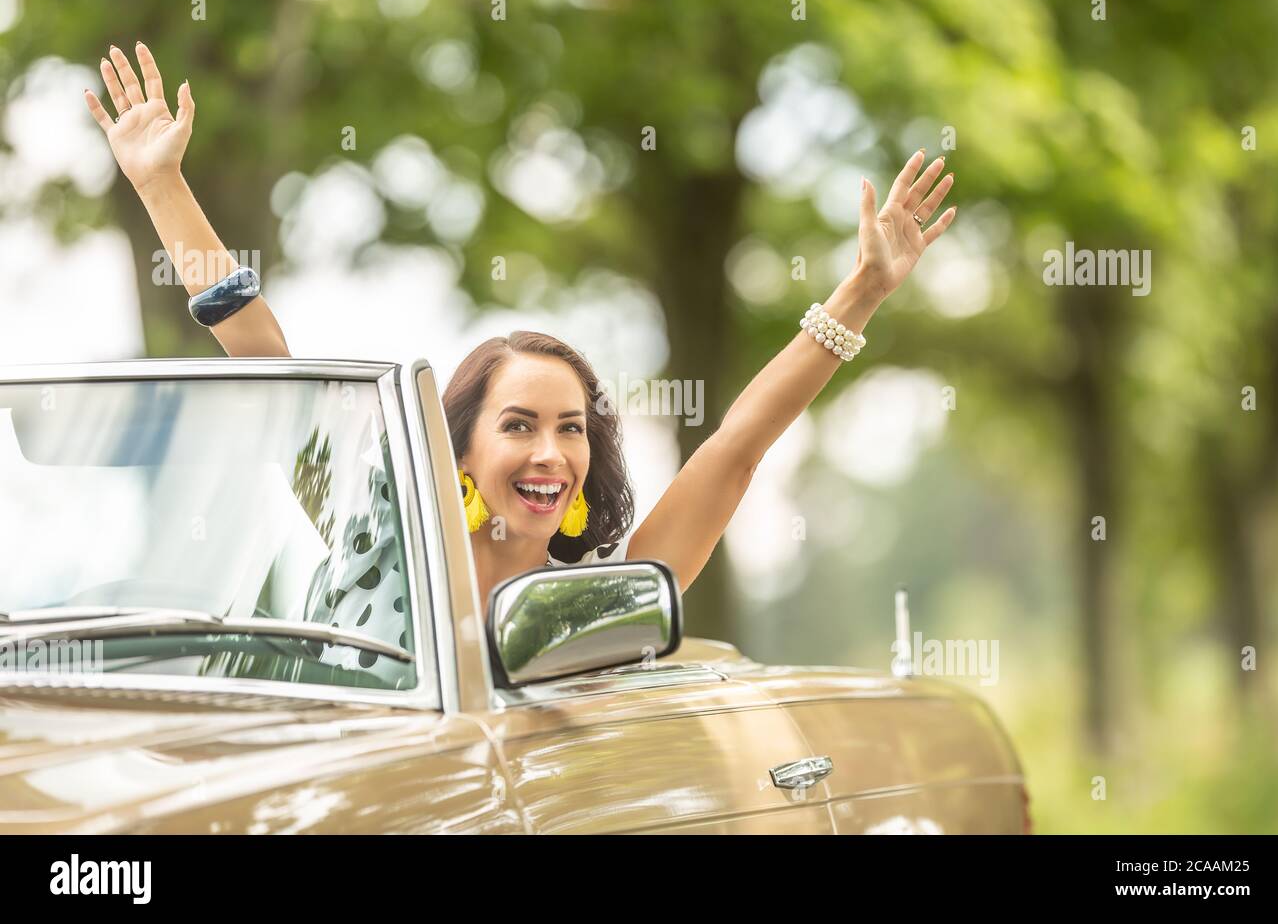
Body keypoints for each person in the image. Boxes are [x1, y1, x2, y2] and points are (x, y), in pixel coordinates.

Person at [85, 41, 957, 611]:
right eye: (520, 425)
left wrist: (863, 294)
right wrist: (162, 185)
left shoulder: (600, 606)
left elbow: (733, 450)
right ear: (459, 449)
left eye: (570, 429)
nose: (552, 453)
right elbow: (262, 354)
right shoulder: (372, 528)